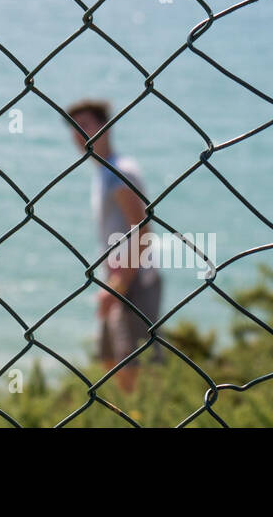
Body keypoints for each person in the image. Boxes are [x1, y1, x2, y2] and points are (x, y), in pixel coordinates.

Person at [67, 99, 162, 392]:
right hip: (118, 281)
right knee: (109, 357)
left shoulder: (118, 173)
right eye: (74, 128)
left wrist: (118, 287)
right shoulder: (104, 171)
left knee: (134, 363)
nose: (78, 134)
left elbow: (142, 231)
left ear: (105, 128)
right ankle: (131, 413)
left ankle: (145, 415)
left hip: (134, 283)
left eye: (85, 125)